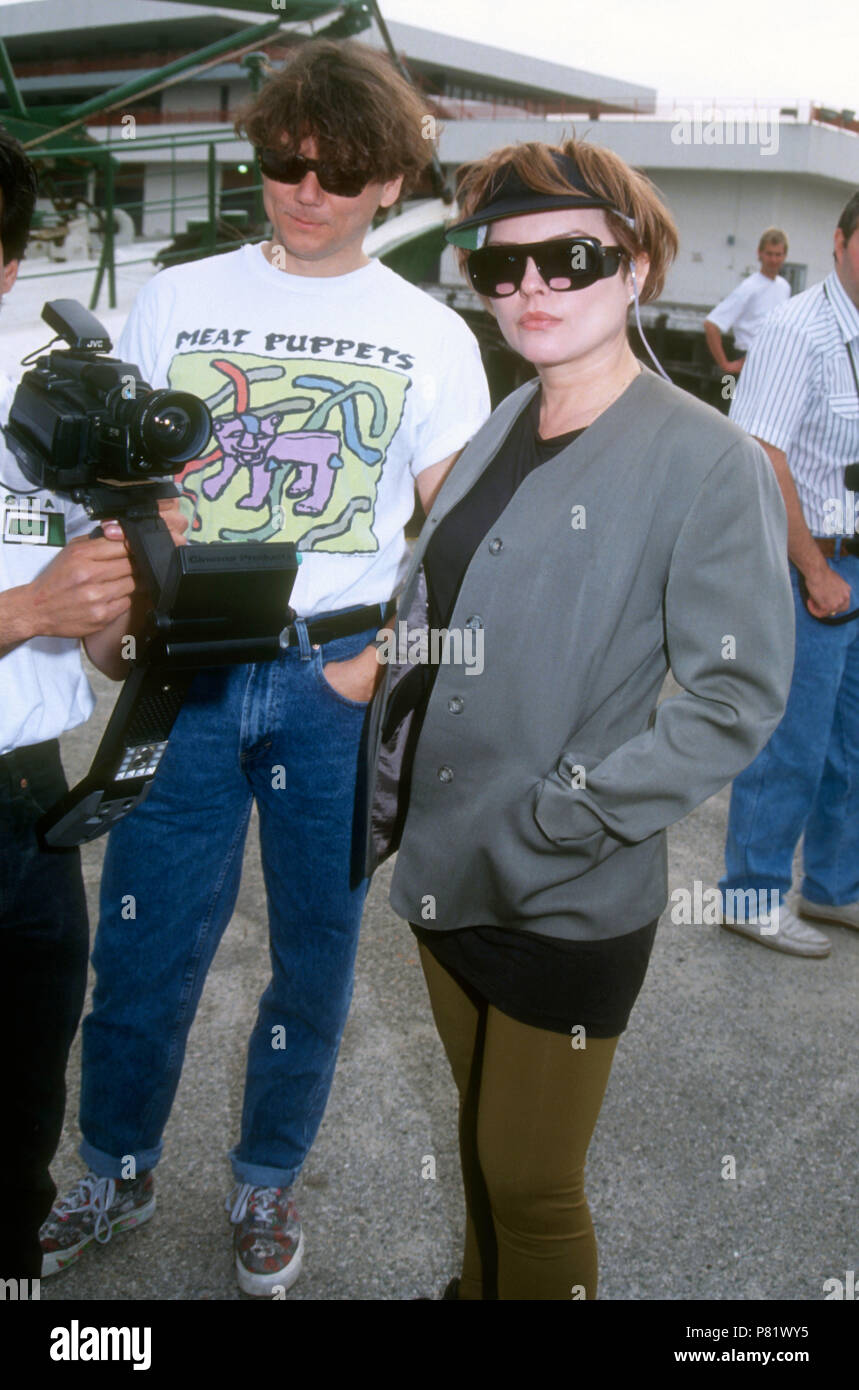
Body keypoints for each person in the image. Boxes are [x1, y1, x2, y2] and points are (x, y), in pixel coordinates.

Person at [40, 39, 489, 1296]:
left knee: (314, 949)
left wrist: (379, 668)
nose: (307, 188)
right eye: (287, 162)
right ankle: (116, 1165)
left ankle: (263, 1181)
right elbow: (121, 487)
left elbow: (457, 543)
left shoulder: (431, 336)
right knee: (142, 942)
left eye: (340, 171)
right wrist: (112, 615)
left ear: (390, 182)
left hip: (329, 679)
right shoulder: (179, 295)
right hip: (181, 673)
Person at [364, 138, 795, 1301]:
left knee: (531, 1178)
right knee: (475, 1146)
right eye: (499, 268)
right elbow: (436, 608)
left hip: (566, 886)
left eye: (568, 259)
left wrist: (571, 814)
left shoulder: (708, 461)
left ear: (637, 267)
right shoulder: (503, 425)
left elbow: (732, 696)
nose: (532, 289)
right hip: (446, 873)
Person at [0, 128, 184, 1280]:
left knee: (23, 1076)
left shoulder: (42, 416)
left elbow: (107, 657)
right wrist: (25, 608)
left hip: (26, 801)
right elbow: (35, 611)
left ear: (10, 265)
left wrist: (143, 592)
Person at [719, 192, 859, 957]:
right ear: (838, 242)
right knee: (793, 741)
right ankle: (751, 893)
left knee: (852, 746)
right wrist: (811, 570)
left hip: (855, 566)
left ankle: (836, 888)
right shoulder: (794, 330)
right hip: (810, 569)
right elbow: (761, 454)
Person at [704, 228, 791, 375]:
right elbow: (711, 325)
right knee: (730, 395)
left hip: (774, 363)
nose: (773, 260)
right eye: (769, 254)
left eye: (778, 255)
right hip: (747, 361)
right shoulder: (749, 287)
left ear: (785, 256)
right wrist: (726, 365)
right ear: (760, 253)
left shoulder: (785, 287)